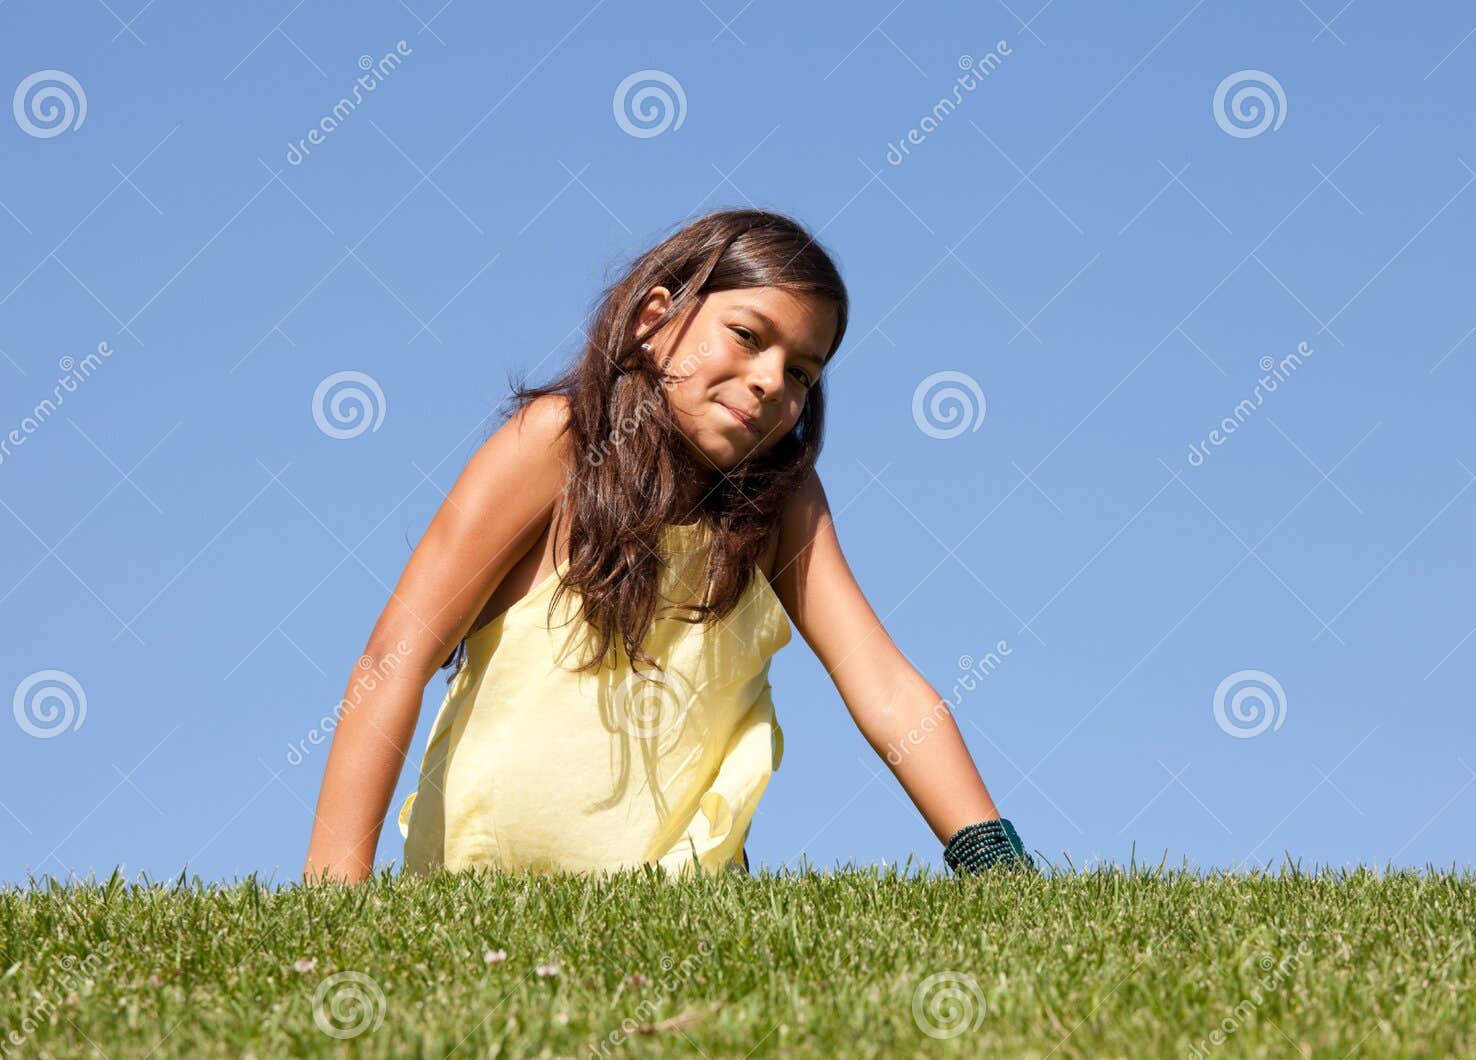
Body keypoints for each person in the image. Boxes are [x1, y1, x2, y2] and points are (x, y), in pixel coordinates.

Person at [302, 208, 1035, 884]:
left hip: (686, 895)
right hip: (484, 892)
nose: (770, 381)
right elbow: (395, 657)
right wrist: (335, 885)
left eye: (802, 373)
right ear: (657, 318)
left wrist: (991, 859)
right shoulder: (559, 443)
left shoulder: (782, 503)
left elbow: (880, 678)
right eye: (749, 336)